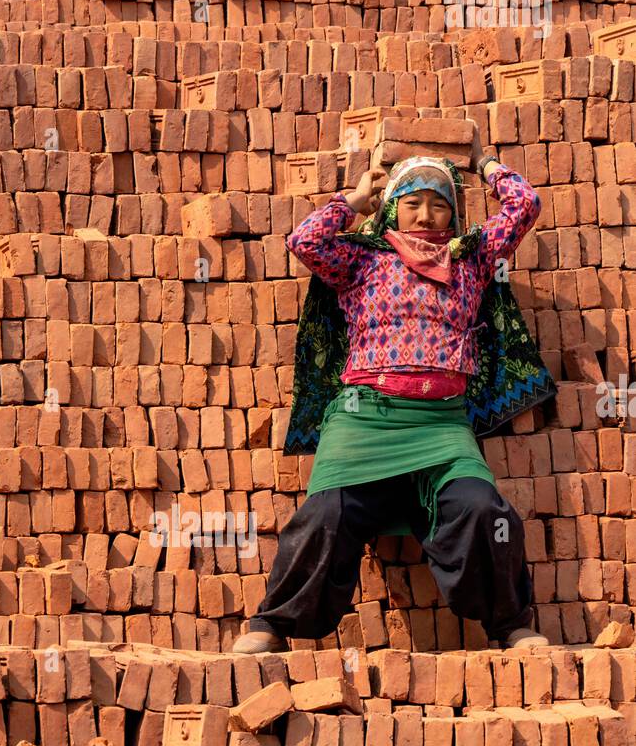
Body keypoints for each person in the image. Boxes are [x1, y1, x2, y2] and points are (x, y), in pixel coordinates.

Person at [234, 130, 551, 655]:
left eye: (438, 205)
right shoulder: (363, 261)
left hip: (442, 427)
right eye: (412, 203)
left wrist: (483, 164)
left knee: (483, 511)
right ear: (393, 209)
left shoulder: (471, 260)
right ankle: (272, 624)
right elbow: (306, 241)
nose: (426, 216)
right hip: (365, 420)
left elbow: (524, 205)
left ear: (454, 215)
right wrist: (357, 199)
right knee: (326, 515)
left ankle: (511, 624)